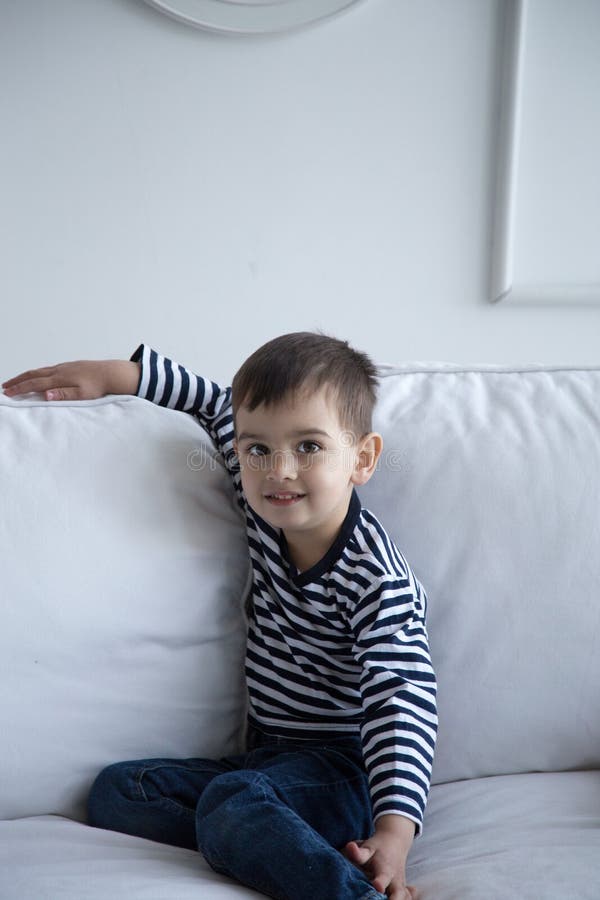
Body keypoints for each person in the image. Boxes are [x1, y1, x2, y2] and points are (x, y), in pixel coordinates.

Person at [2, 331, 437, 900]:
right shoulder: (267, 509)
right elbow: (214, 402)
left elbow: (401, 696)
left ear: (362, 458)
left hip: (344, 772)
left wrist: (394, 833)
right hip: (266, 761)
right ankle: (271, 841)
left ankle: (342, 887)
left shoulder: (377, 578)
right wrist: (118, 377)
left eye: (308, 447)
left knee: (233, 802)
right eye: (257, 449)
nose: (278, 469)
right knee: (120, 791)